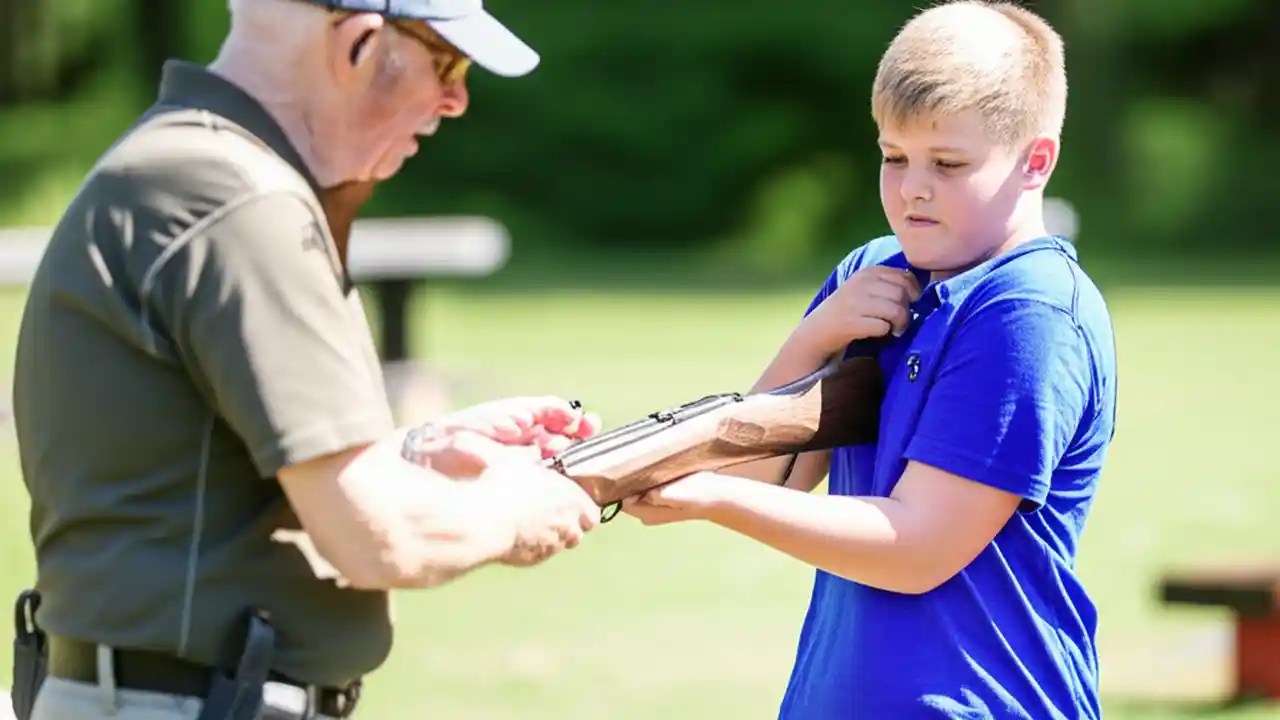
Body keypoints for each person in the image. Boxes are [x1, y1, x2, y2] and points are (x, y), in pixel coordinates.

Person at [11, 1, 603, 718]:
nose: (457, 99)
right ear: (356, 43)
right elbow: (376, 537)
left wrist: (415, 453)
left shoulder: (194, 169)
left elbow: (202, 477)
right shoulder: (239, 197)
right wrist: (513, 509)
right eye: (445, 61)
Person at [624, 2, 1118, 718]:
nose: (913, 187)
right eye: (894, 156)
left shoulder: (1029, 310)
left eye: (948, 164)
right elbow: (767, 472)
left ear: (1035, 161)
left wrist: (713, 500)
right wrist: (813, 336)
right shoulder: (874, 273)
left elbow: (917, 549)